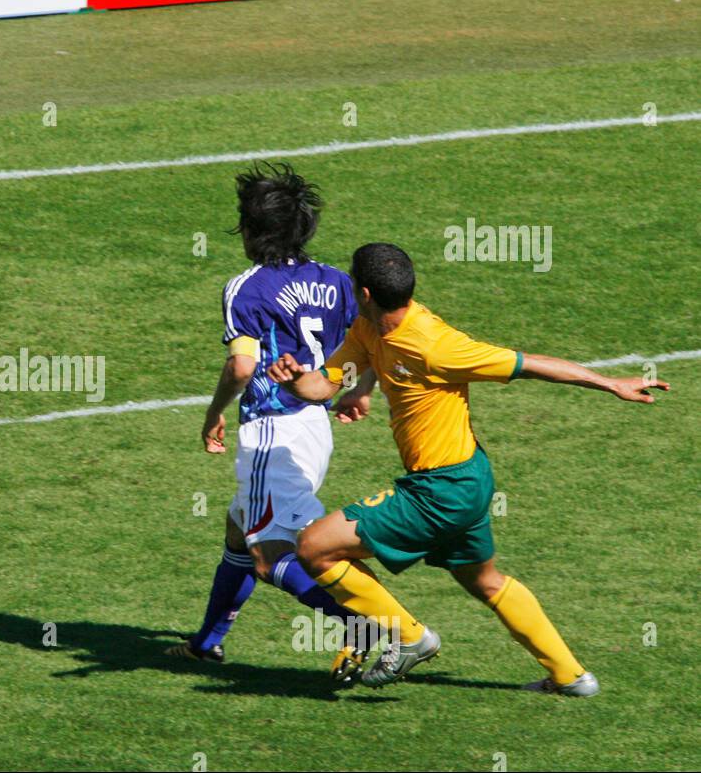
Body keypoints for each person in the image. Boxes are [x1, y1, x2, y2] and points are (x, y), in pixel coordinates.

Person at [267, 242, 669, 695]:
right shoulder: (368, 327)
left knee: (315, 546)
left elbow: (527, 364)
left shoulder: (437, 346)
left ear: (361, 291)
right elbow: (325, 384)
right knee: (485, 581)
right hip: (469, 479)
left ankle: (411, 637)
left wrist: (610, 383)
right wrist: (301, 378)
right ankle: (571, 677)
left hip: (441, 488)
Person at [166, 163, 377, 672]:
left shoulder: (247, 287)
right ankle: (206, 643)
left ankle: (373, 627)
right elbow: (373, 342)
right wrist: (359, 390)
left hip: (271, 429)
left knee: (272, 555)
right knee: (241, 531)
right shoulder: (337, 282)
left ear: (251, 230)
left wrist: (214, 413)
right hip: (314, 427)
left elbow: (242, 367)